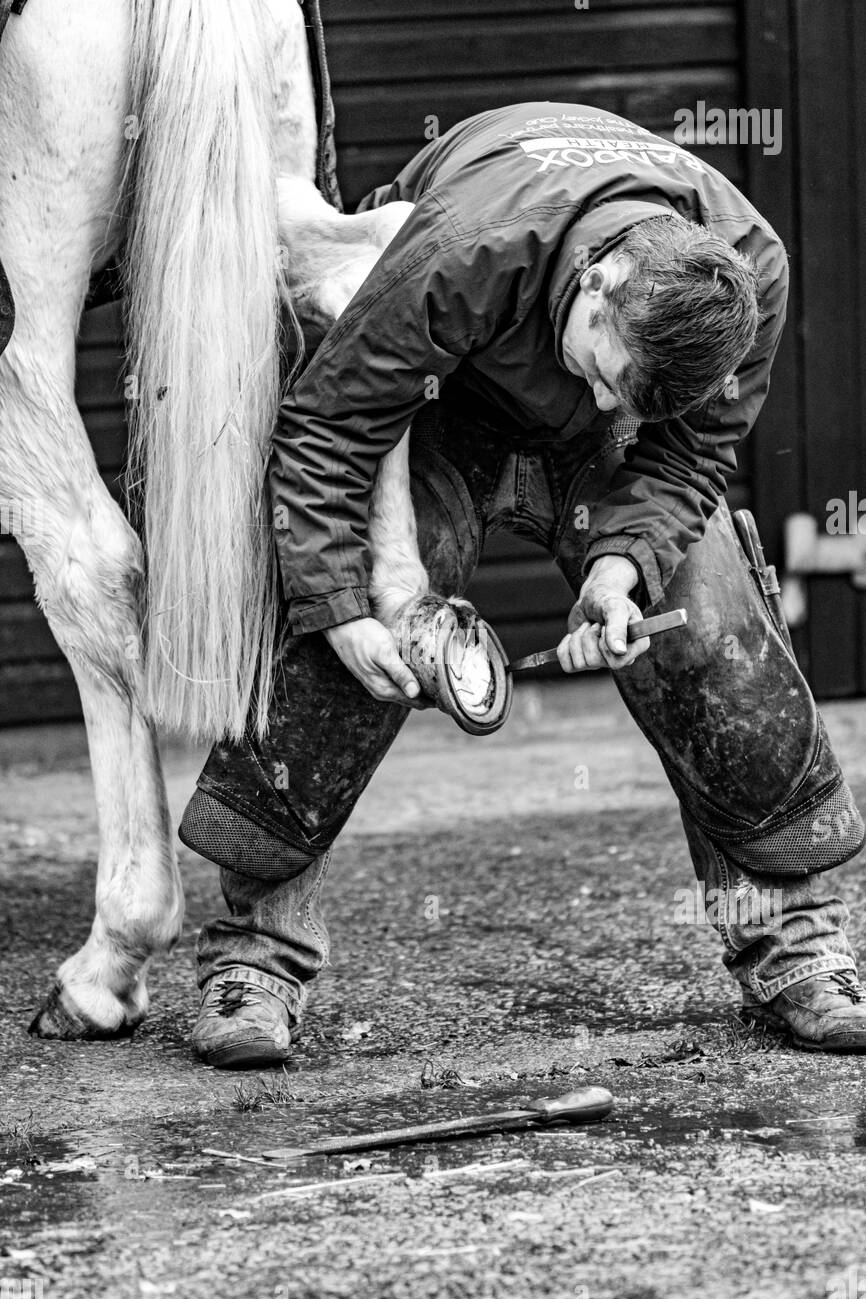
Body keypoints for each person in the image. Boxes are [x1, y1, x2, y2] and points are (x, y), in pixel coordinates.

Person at [178, 102, 866, 1067]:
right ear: (601, 281)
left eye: (631, 389)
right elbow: (331, 430)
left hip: (609, 460)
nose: (600, 393)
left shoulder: (750, 270)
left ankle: (794, 944)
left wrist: (619, 578)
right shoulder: (464, 244)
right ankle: (255, 961)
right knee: (345, 641)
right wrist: (338, 608)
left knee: (708, 635)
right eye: (607, 366)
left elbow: (684, 460)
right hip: (438, 405)